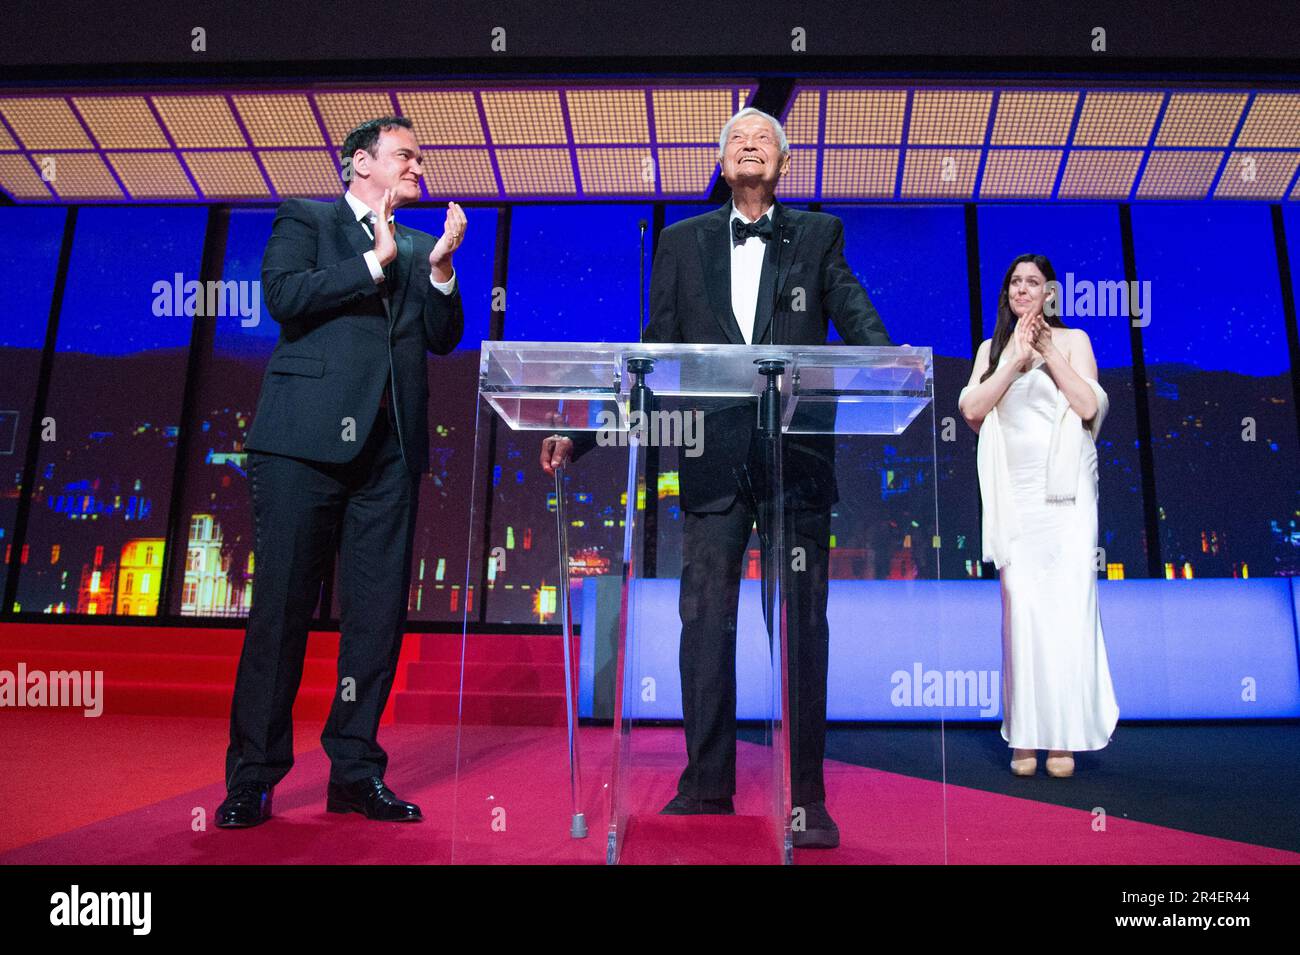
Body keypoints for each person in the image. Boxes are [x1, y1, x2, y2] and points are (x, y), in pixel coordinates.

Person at [541, 108, 893, 848]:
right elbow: (652, 354)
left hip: (795, 462)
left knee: (801, 630)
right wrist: (583, 434)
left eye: (763, 138)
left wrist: (892, 370)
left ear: (785, 162)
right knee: (704, 625)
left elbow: (859, 319)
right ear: (722, 161)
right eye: (736, 140)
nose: (749, 146)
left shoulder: (818, 235)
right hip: (708, 462)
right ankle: (705, 784)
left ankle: (806, 798)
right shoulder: (681, 241)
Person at [217, 116, 467, 827]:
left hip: (389, 456)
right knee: (280, 615)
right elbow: (285, 298)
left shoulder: (424, 247)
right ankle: (252, 778)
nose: (419, 165)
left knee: (376, 621)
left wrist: (442, 266)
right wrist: (373, 259)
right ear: (362, 163)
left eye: (420, 155)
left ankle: (355, 772)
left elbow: (444, 339)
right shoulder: (307, 218)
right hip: (300, 447)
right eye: (406, 155)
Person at [957, 253, 1119, 778]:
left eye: (1033, 282)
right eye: (1015, 283)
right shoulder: (991, 348)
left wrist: (1047, 350)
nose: (1023, 290)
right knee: (1021, 609)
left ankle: (1063, 738)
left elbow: (1089, 407)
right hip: (1017, 498)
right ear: (1007, 294)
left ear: (1049, 292)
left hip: (1068, 497)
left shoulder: (1074, 342)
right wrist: (1012, 361)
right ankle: (1025, 734)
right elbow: (973, 410)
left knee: (1068, 611)